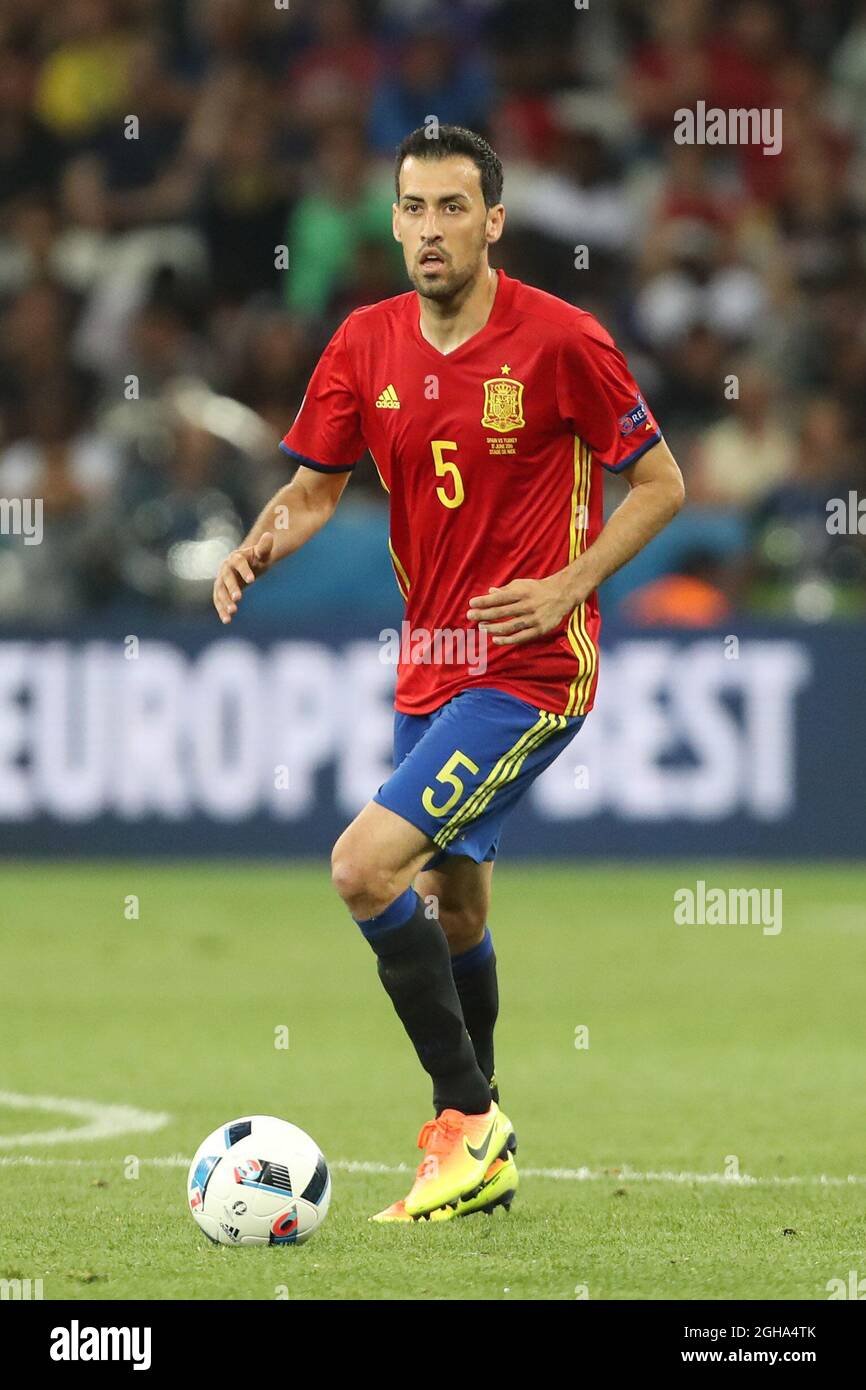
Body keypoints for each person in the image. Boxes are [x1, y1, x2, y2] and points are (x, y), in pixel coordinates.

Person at [213, 125, 685, 1223]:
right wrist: (258, 538)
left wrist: (570, 581)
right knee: (453, 905)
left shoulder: (562, 340)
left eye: (452, 208)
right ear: (391, 219)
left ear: (494, 222)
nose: (430, 229)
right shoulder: (364, 342)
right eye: (413, 208)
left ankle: (465, 1122)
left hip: (530, 667)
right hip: (428, 667)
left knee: (361, 868)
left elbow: (660, 483)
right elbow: (315, 489)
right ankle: (486, 1149)